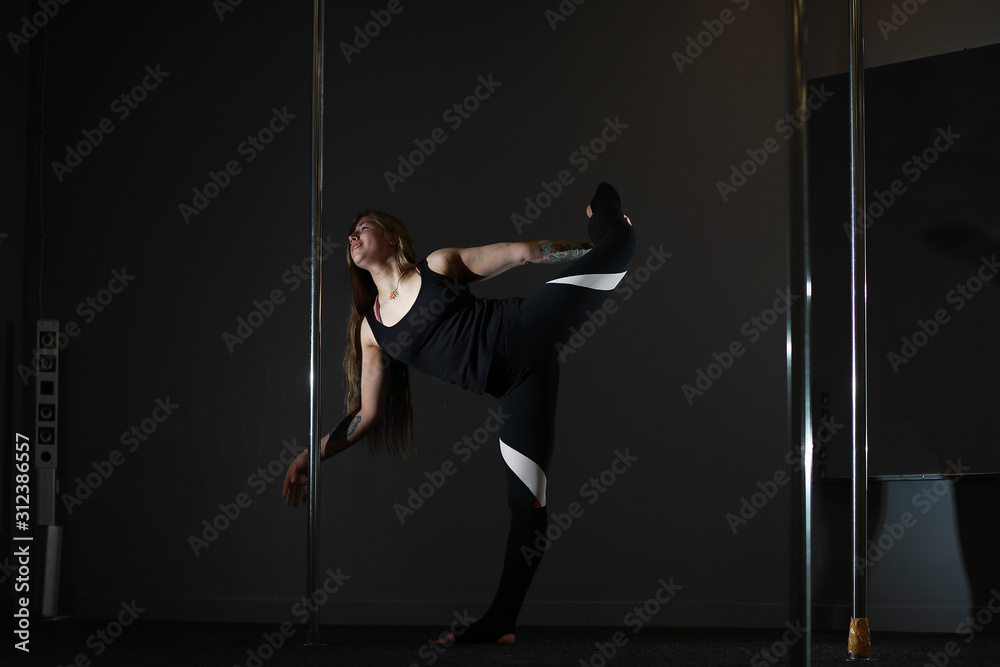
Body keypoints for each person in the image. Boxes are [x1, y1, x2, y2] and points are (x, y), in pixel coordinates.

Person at [282, 182, 638, 644]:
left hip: (526, 327)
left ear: (392, 238)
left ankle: (605, 210)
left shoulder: (436, 266)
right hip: (518, 387)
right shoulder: (372, 332)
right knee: (527, 502)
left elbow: (522, 253)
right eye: (349, 234)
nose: (352, 237)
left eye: (363, 228)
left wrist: (590, 249)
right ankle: (501, 624)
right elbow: (365, 416)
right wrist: (314, 453)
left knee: (621, 246)